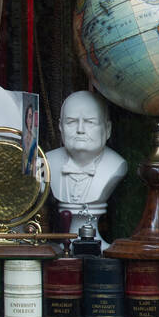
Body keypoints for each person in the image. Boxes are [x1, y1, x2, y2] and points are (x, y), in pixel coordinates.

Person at [46, 91, 128, 249]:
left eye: (90, 122)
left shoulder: (117, 165)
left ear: (108, 128)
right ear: (60, 127)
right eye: (71, 122)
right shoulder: (47, 162)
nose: (80, 129)